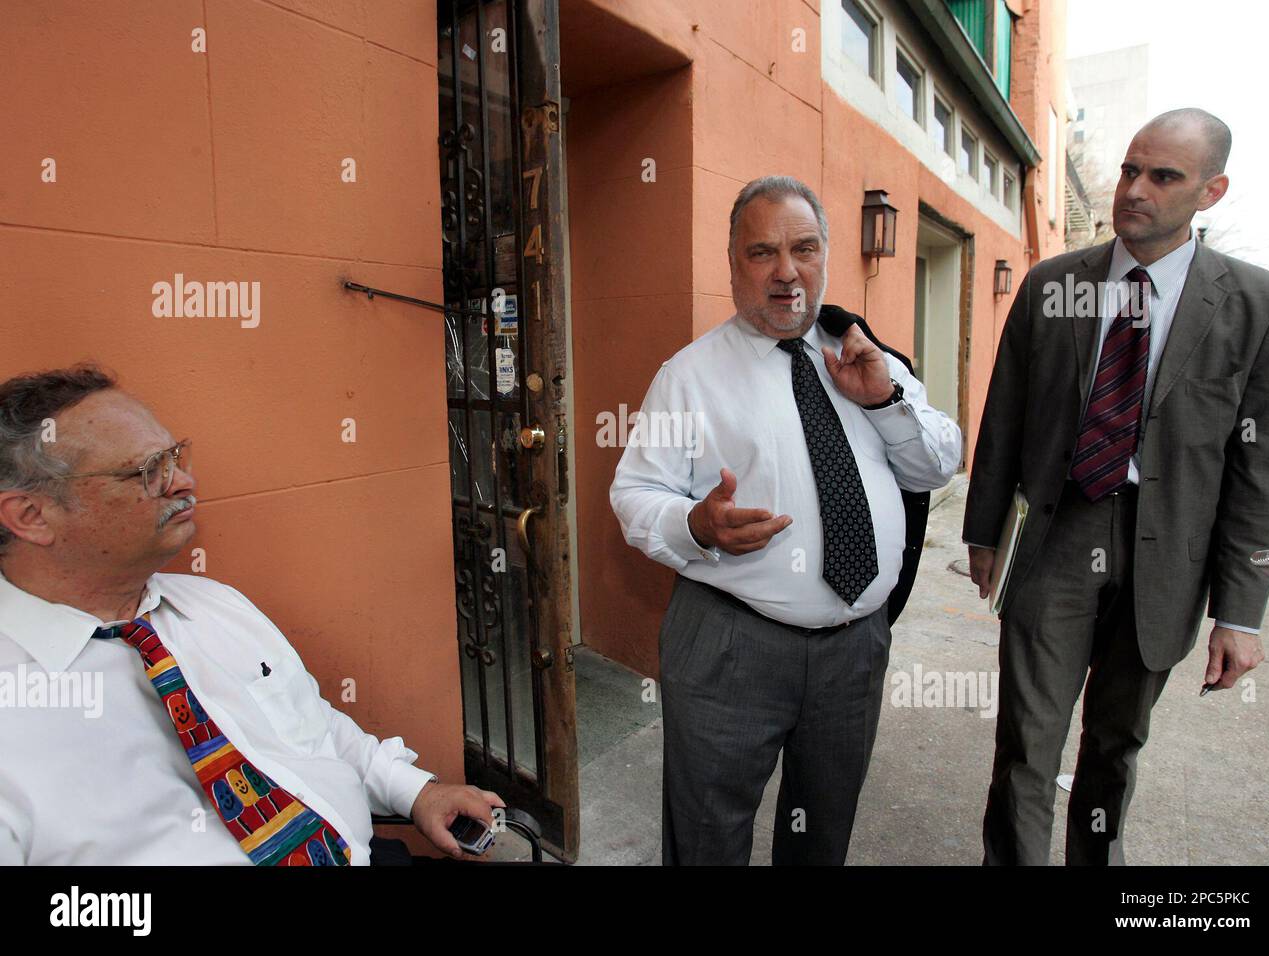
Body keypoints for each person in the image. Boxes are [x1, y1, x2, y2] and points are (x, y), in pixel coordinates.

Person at [964, 109, 1269, 865]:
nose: (1134, 189)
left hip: (1168, 552)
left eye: (1163, 176)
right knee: (1026, 738)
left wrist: (1240, 613)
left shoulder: (1260, 307)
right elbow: (1004, 418)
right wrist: (985, 532)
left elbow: (1263, 470)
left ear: (1211, 191)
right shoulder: (1055, 285)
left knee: (1116, 745)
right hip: (1057, 536)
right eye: (1128, 170)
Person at [0, 366, 503, 864]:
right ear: (31, 516)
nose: (185, 482)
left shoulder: (211, 605)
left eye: (175, 457)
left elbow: (310, 726)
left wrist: (415, 792)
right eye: (148, 470)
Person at [610, 176, 962, 865]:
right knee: (708, 836)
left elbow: (936, 465)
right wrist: (696, 525)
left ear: (825, 254)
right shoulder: (688, 376)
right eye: (761, 252)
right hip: (730, 648)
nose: (785, 270)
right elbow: (634, 494)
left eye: (803, 248)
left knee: (821, 836)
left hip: (856, 649)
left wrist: (887, 401)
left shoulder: (865, 356)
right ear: (734, 263)